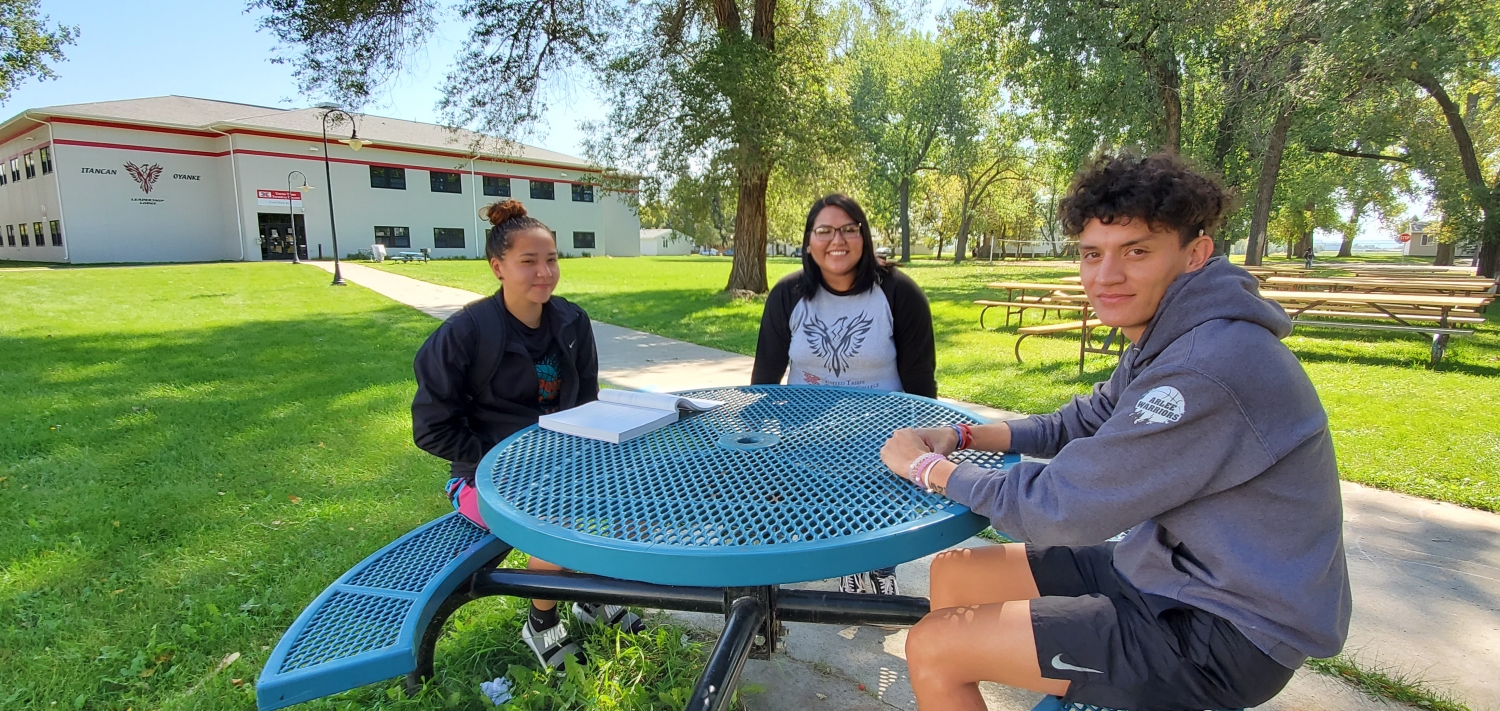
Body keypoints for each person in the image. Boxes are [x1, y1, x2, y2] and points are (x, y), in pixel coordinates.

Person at [881, 153, 1350, 711]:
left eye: (1137, 251)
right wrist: (960, 437)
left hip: (1231, 628)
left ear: (1195, 254)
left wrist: (926, 468)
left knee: (935, 646)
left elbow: (1060, 508)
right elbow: (1081, 420)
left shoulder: (1206, 366)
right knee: (959, 572)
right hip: (1169, 573)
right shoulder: (1172, 332)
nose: (1107, 276)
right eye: (1091, 254)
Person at [411, 199, 644, 671]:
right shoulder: (465, 333)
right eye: (528, 261)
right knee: (556, 516)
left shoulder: (572, 321)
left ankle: (592, 596)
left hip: (562, 463)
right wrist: (504, 462)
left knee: (625, 495)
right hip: (481, 479)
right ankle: (541, 623)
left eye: (552, 259)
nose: (545, 272)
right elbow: (431, 428)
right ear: (497, 266)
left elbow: (588, 404)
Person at [752, 193, 938, 596]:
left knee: (882, 505)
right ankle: (847, 566)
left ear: (863, 237)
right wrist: (759, 435)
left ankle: (882, 567)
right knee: (829, 507)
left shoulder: (898, 294)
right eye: (824, 231)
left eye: (848, 229)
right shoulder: (788, 295)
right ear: (808, 242)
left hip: (882, 434)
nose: (837, 240)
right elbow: (765, 376)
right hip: (807, 435)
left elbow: (921, 381)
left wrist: (926, 440)